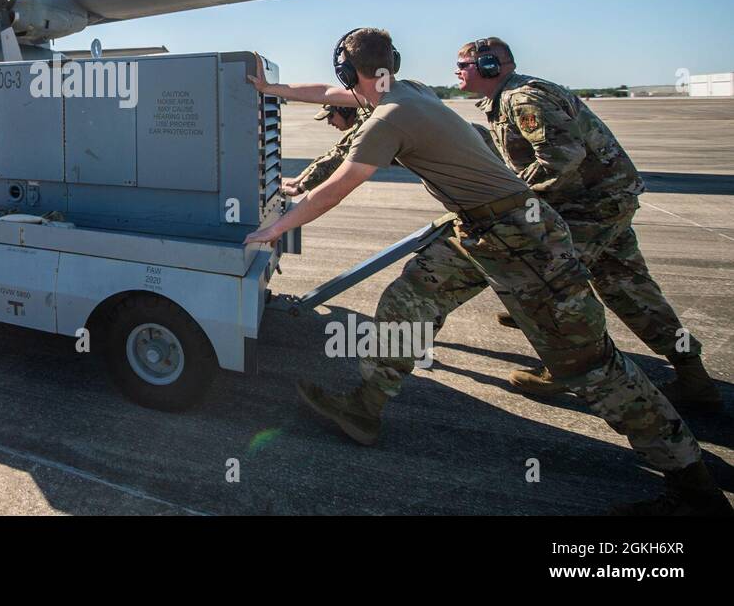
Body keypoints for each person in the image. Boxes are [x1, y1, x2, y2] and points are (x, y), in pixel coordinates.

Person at [244, 28, 729, 515]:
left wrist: (273, 229)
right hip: (478, 228)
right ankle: (364, 407)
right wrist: (273, 91)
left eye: (344, 78)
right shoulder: (408, 89)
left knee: (590, 368)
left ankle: (694, 489)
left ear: (351, 74)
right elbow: (325, 94)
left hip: (522, 240)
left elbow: (335, 190)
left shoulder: (388, 118)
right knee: (409, 299)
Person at [448, 37, 720, 409]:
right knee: (629, 288)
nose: (456, 71)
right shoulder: (509, 97)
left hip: (589, 206)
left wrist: (511, 197)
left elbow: (561, 156)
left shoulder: (522, 98)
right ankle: (693, 375)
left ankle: (566, 367)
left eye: (463, 65)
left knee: (550, 284)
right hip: (603, 201)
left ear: (490, 67)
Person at [284, 104, 364, 196]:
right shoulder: (358, 122)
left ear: (345, 112)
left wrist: (300, 189)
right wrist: (299, 179)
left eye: (331, 116)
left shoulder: (363, 123)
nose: (329, 122)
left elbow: (337, 159)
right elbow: (336, 151)